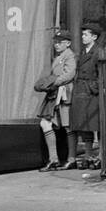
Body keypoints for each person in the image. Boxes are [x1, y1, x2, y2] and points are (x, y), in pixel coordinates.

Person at [36, 30, 77, 171]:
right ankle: (53, 159)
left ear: (68, 43)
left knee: (67, 126)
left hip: (64, 94)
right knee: (45, 123)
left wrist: (52, 82)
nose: (56, 45)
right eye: (55, 42)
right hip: (55, 95)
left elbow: (69, 74)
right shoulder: (59, 56)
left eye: (60, 42)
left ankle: (71, 159)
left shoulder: (70, 56)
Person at [66, 23, 102, 169]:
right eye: (83, 35)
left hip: (90, 91)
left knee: (96, 124)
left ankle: (99, 156)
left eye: (86, 35)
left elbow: (102, 73)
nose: (83, 37)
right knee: (84, 125)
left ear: (94, 37)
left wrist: (94, 87)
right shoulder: (83, 52)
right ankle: (87, 155)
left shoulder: (98, 51)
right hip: (81, 91)